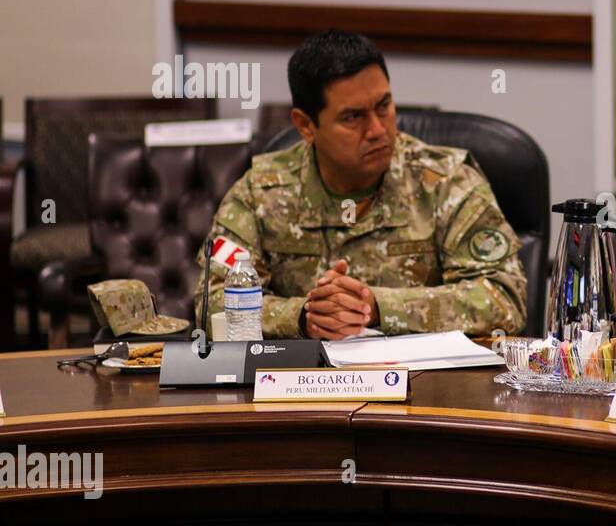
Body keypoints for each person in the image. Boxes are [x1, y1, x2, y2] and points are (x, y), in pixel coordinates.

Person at [193, 29, 527, 341]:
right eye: (353, 117)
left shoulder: (446, 182)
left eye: (384, 106)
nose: (378, 130)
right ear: (306, 126)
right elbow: (212, 303)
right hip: (301, 390)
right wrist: (302, 318)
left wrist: (377, 307)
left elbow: (503, 297)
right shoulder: (259, 194)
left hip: (425, 389)